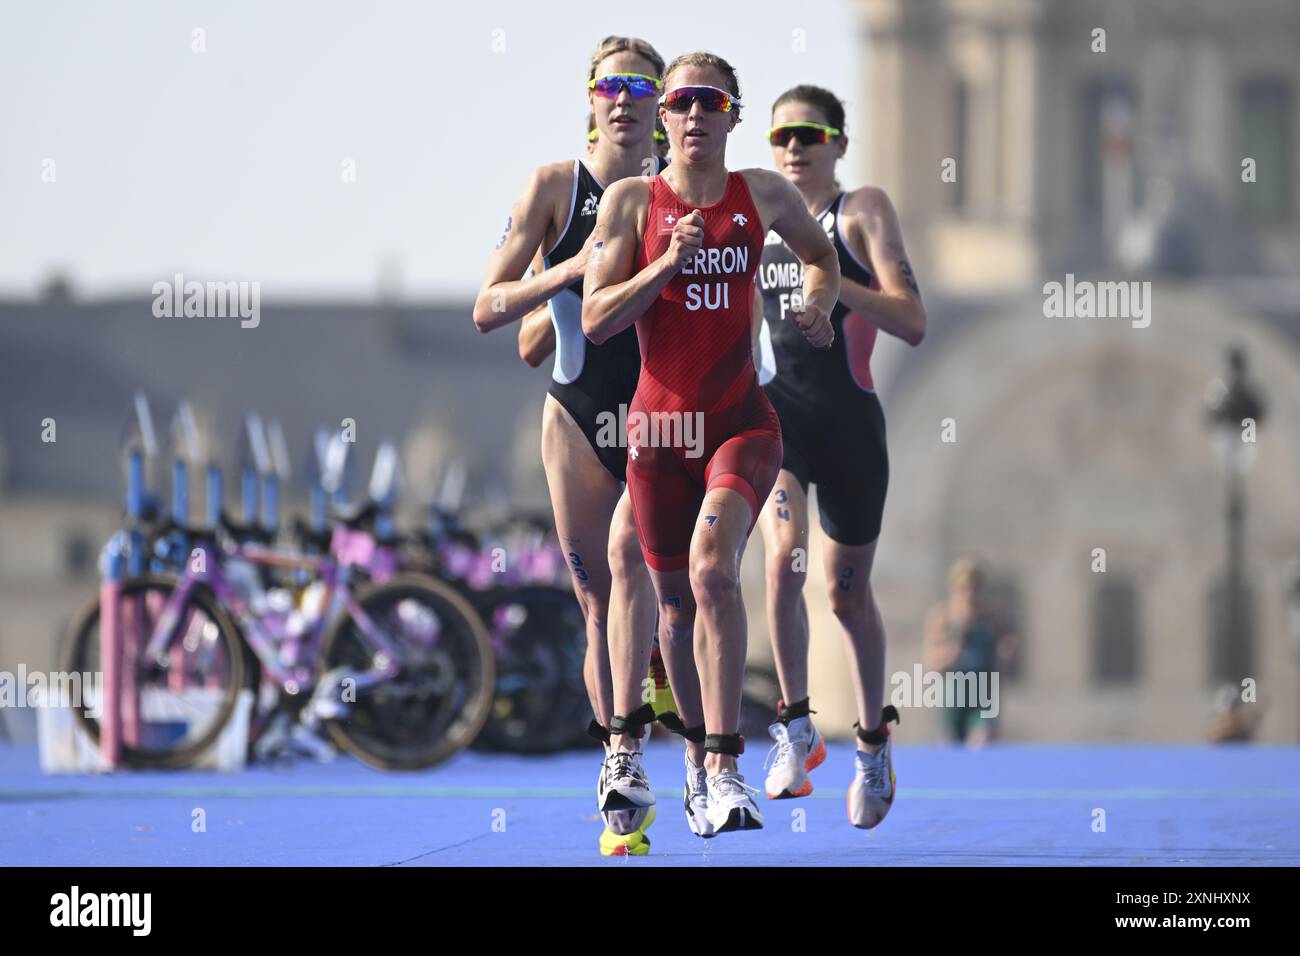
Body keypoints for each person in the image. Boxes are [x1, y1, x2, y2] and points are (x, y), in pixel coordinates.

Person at [584, 51, 839, 835]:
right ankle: (692, 765)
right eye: (683, 102)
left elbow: (820, 257)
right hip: (658, 432)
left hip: (740, 425)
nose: (696, 115)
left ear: (733, 115)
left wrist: (820, 304)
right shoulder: (631, 202)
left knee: (712, 573)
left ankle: (728, 769)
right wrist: (666, 262)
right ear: (664, 118)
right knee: (671, 608)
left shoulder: (761, 194)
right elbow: (597, 319)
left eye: (712, 102)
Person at [472, 35, 668, 856]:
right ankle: (618, 771)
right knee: (598, 604)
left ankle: (674, 735)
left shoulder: (681, 189)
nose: (622, 98)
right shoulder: (555, 186)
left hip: (666, 417)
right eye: (609, 85)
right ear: (589, 99)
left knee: (659, 586)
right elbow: (489, 306)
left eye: (639, 86)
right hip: (579, 417)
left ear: (662, 105)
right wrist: (565, 274)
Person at [753, 85, 927, 829]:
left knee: (845, 594)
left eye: (811, 135)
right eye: (782, 136)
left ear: (838, 145)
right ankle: (794, 727)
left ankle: (872, 742)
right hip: (778, 420)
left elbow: (913, 321)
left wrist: (832, 282)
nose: (795, 148)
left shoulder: (861, 212)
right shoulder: (753, 214)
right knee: (782, 555)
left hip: (851, 426)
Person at [923, 557, 1018, 749]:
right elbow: (931, 661)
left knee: (982, 742)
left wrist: (1003, 658)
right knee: (949, 746)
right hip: (954, 692)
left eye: (975, 588)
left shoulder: (992, 617)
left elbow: (1009, 643)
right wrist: (952, 652)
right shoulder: (943, 618)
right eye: (964, 588)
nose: (970, 594)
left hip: (983, 691)